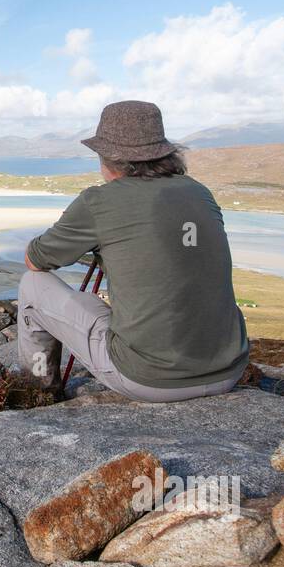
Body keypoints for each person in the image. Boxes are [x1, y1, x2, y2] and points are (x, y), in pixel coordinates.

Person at [19, 100, 249, 401]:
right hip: (228, 371)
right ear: (163, 153)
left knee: (32, 286)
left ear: (109, 157)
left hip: (149, 380)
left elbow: (35, 260)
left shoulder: (99, 202)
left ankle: (38, 393)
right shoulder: (198, 191)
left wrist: (95, 244)